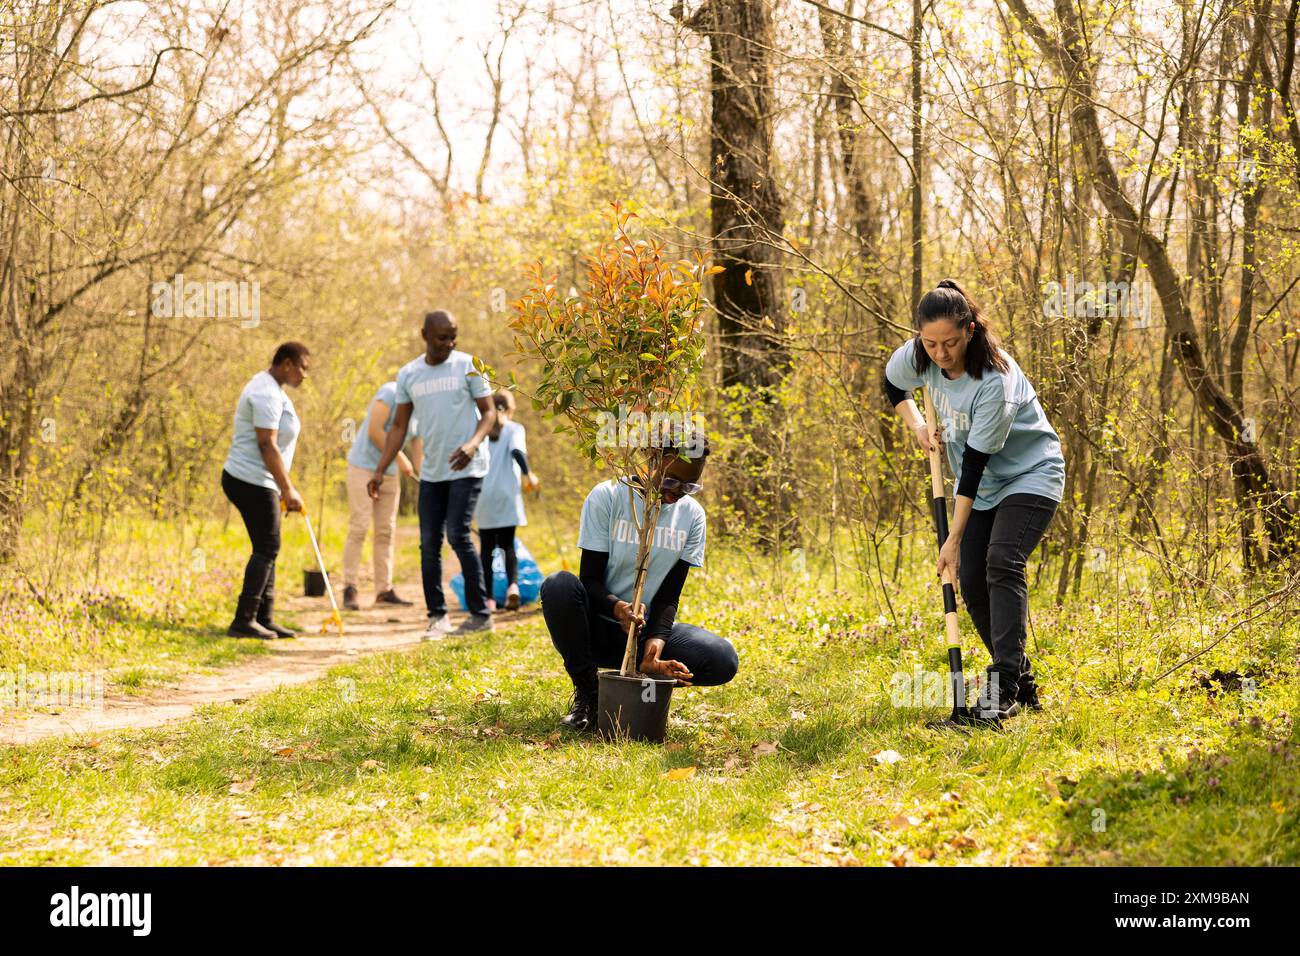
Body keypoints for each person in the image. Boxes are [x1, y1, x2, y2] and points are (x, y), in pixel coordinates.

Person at [884, 278, 1065, 723]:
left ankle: (1000, 685)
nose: (940, 353)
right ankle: (1020, 684)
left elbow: (975, 465)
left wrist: (954, 538)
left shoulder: (995, 379)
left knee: (1001, 560)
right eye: (930, 343)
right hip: (982, 490)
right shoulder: (919, 356)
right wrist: (919, 425)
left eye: (949, 342)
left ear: (969, 329)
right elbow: (892, 388)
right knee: (973, 586)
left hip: (1031, 474)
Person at [539, 434, 738, 732]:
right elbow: (589, 581)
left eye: (689, 486)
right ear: (652, 459)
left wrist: (653, 650)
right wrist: (618, 608)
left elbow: (669, 595)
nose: (677, 493)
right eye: (671, 480)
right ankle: (590, 695)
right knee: (558, 585)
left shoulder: (692, 516)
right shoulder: (608, 496)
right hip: (594, 628)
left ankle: (640, 679)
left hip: (643, 633)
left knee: (722, 659)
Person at [368, 310, 497, 638]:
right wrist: (380, 470)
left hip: (467, 467)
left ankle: (481, 614)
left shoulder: (469, 365)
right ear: (424, 335)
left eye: (454, 335)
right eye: (442, 337)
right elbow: (398, 426)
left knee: (457, 534)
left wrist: (472, 443)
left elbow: (489, 412)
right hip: (433, 472)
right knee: (429, 544)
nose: (449, 343)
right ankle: (437, 616)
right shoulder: (409, 374)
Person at [220, 342, 310, 639]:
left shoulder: (275, 389)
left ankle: (264, 618)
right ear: (286, 363)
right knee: (268, 546)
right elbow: (266, 444)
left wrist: (283, 487)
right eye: (302, 367)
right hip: (249, 479)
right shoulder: (266, 392)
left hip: (262, 480)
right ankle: (243, 620)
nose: (304, 375)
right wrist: (289, 489)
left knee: (267, 545)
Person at [342, 381, 423, 610]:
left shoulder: (422, 409)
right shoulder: (390, 393)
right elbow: (375, 431)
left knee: (386, 531)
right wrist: (400, 458)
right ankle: (350, 587)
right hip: (363, 467)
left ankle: (383, 590)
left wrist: (428, 479)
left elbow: (418, 449)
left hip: (389, 474)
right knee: (359, 527)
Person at [475, 390, 539, 612]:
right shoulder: (514, 428)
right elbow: (518, 452)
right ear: (509, 409)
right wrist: (529, 474)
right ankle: (513, 586)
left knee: (486, 549)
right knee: (507, 544)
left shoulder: (480, 429)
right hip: (507, 494)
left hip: (482, 494)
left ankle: (489, 600)